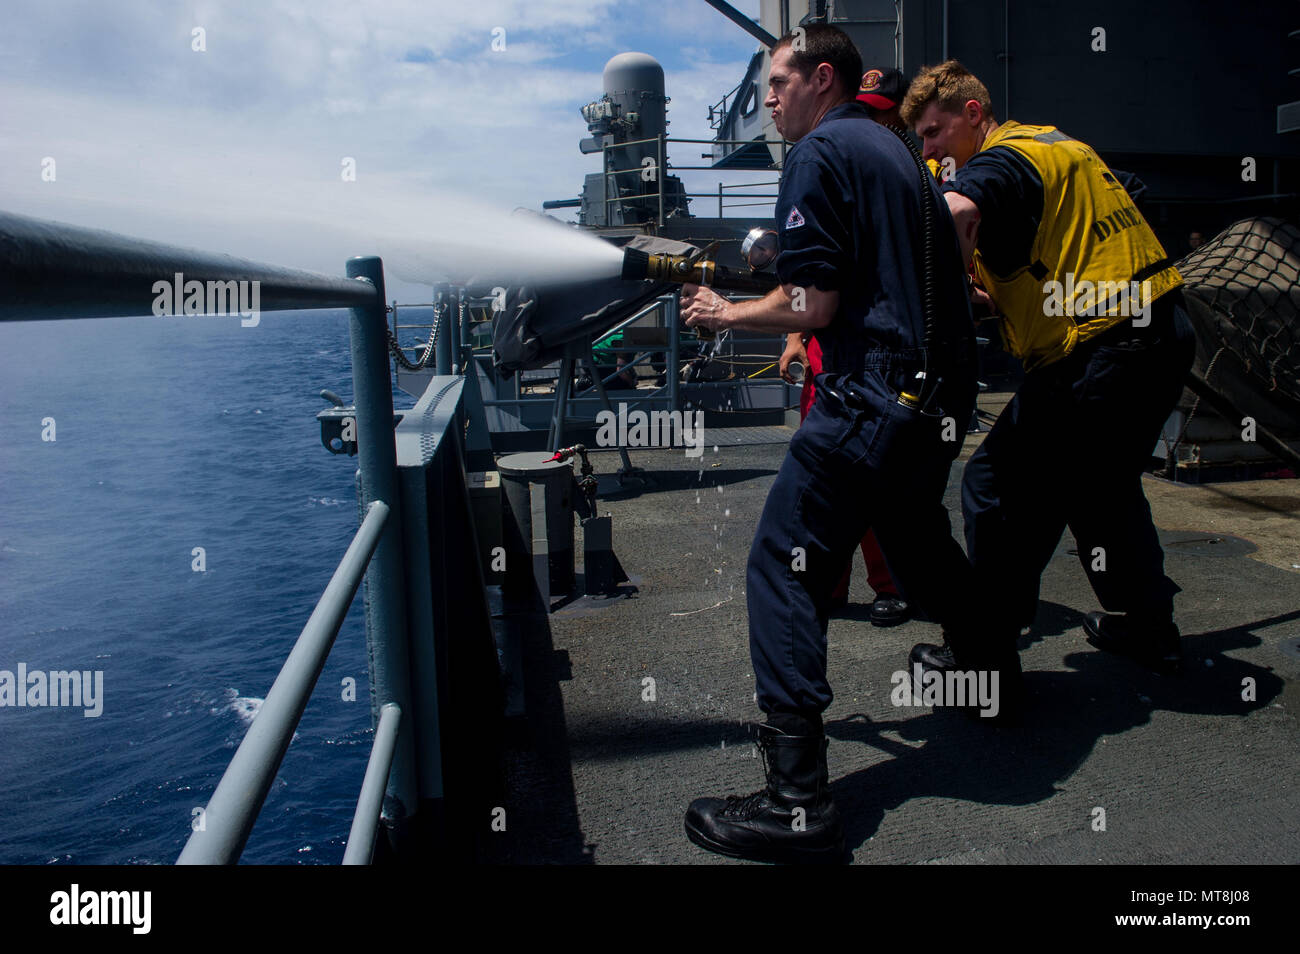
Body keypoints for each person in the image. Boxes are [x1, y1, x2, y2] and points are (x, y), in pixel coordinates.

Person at [679, 27, 986, 864]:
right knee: (917, 537)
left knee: (784, 563)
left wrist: (727, 313)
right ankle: (990, 670)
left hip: (869, 395)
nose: (769, 98)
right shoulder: (896, 154)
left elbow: (813, 306)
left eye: (778, 81)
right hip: (936, 399)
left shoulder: (815, 156)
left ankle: (797, 803)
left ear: (821, 79)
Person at [901, 61, 1196, 680]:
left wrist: (943, 307)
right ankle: (1149, 629)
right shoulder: (1062, 146)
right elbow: (1076, 232)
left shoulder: (1000, 160)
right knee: (1103, 488)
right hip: (1162, 332)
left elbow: (956, 212)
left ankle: (984, 655)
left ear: (973, 114)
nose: (928, 150)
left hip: (1097, 351)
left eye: (933, 132)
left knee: (994, 487)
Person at [777, 65, 916, 628]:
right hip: (830, 355)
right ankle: (824, 583)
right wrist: (793, 333)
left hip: (877, 359)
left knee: (875, 481)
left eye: (885, 110)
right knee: (823, 476)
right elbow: (812, 270)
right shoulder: (845, 161)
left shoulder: (907, 170)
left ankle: (892, 584)